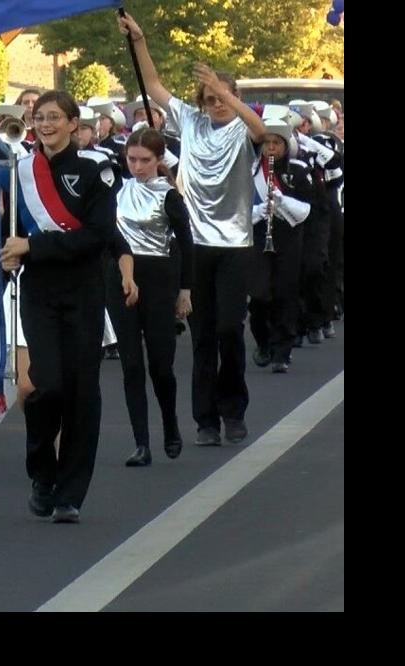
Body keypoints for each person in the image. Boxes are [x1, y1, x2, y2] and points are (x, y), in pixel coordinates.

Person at [0, 81, 137, 524]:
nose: (45, 124)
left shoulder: (96, 171)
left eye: (54, 118)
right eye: (39, 118)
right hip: (39, 291)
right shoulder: (20, 170)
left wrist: (32, 246)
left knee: (82, 393)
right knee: (45, 388)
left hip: (83, 291)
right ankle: (42, 473)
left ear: (72, 124)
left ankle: (70, 494)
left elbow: (97, 235)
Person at [119, 11, 267, 447]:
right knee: (202, 335)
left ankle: (233, 408)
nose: (215, 104)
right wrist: (140, 41)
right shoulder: (191, 121)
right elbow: (155, 87)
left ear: (234, 98)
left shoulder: (243, 129)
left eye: (222, 98)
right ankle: (205, 420)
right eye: (209, 98)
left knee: (229, 329)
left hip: (235, 244)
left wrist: (227, 92)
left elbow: (259, 129)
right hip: (195, 245)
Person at [109, 128, 195, 466]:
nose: (137, 166)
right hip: (121, 279)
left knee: (161, 365)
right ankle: (141, 443)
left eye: (145, 160)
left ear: (159, 159)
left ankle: (170, 424)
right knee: (131, 364)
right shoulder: (117, 189)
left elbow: (186, 244)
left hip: (159, 280)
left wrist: (185, 291)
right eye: (132, 159)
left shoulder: (169, 196)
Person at [248, 119, 313, 374]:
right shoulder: (250, 170)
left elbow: (306, 209)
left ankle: (281, 351)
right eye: (267, 143)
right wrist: (259, 211)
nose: (271, 148)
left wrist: (282, 201)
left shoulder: (298, 170)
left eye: (276, 143)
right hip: (258, 234)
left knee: (285, 293)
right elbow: (237, 208)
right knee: (259, 295)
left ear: (286, 145)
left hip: (288, 236)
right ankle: (263, 341)